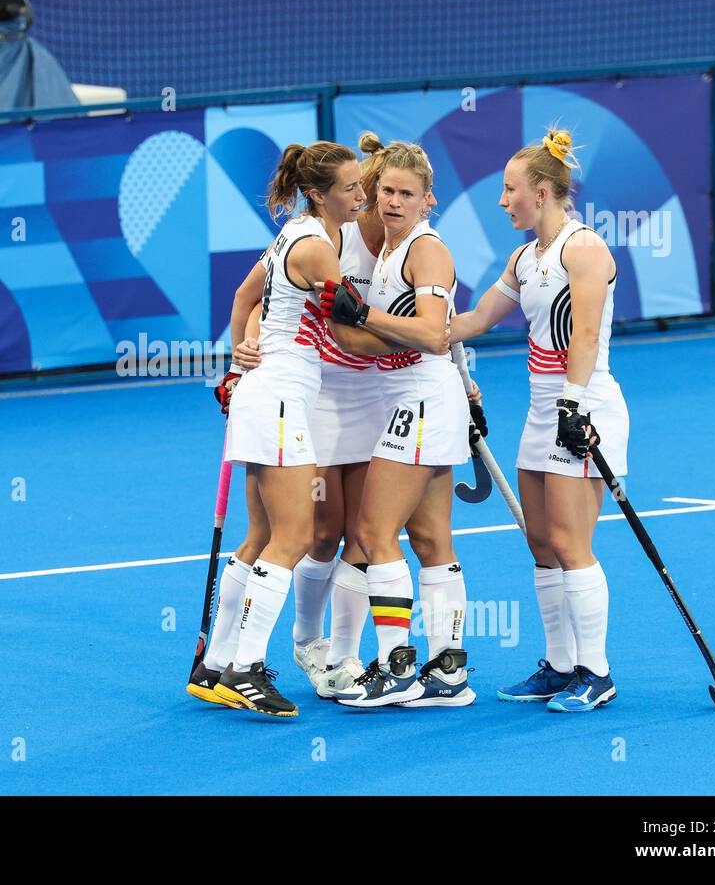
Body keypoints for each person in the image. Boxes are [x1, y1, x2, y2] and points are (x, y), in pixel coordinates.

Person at [189, 141, 445, 718]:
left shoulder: (295, 233)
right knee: (294, 537)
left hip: (266, 395)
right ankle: (247, 670)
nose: (364, 197)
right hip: (281, 399)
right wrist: (424, 344)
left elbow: (245, 295)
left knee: (259, 538)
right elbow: (348, 329)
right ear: (318, 194)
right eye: (353, 189)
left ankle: (215, 664)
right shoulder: (318, 249)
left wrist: (238, 363)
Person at [449, 128, 625, 713]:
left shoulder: (584, 249)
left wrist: (572, 405)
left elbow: (586, 334)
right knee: (542, 543)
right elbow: (475, 321)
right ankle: (559, 665)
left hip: (584, 407)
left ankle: (596, 673)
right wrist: (394, 324)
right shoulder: (524, 258)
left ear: (543, 194)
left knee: (572, 544)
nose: (503, 201)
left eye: (511, 190)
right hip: (541, 411)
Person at [322, 140, 483, 708]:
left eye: (406, 194)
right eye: (386, 191)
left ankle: (397, 669)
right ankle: (449, 672)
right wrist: (350, 331)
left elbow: (435, 333)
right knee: (431, 539)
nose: (393, 201)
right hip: (417, 400)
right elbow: (389, 340)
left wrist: (362, 315)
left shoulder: (426, 250)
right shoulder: (390, 252)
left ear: (427, 200)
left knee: (372, 533)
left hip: (421, 403)